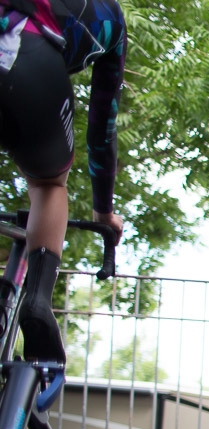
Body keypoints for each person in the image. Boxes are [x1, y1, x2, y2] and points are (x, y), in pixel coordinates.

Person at [0, 0, 126, 363]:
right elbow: (102, 130)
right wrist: (103, 211)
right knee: (48, 185)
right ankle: (38, 301)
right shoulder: (111, 16)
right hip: (30, 61)